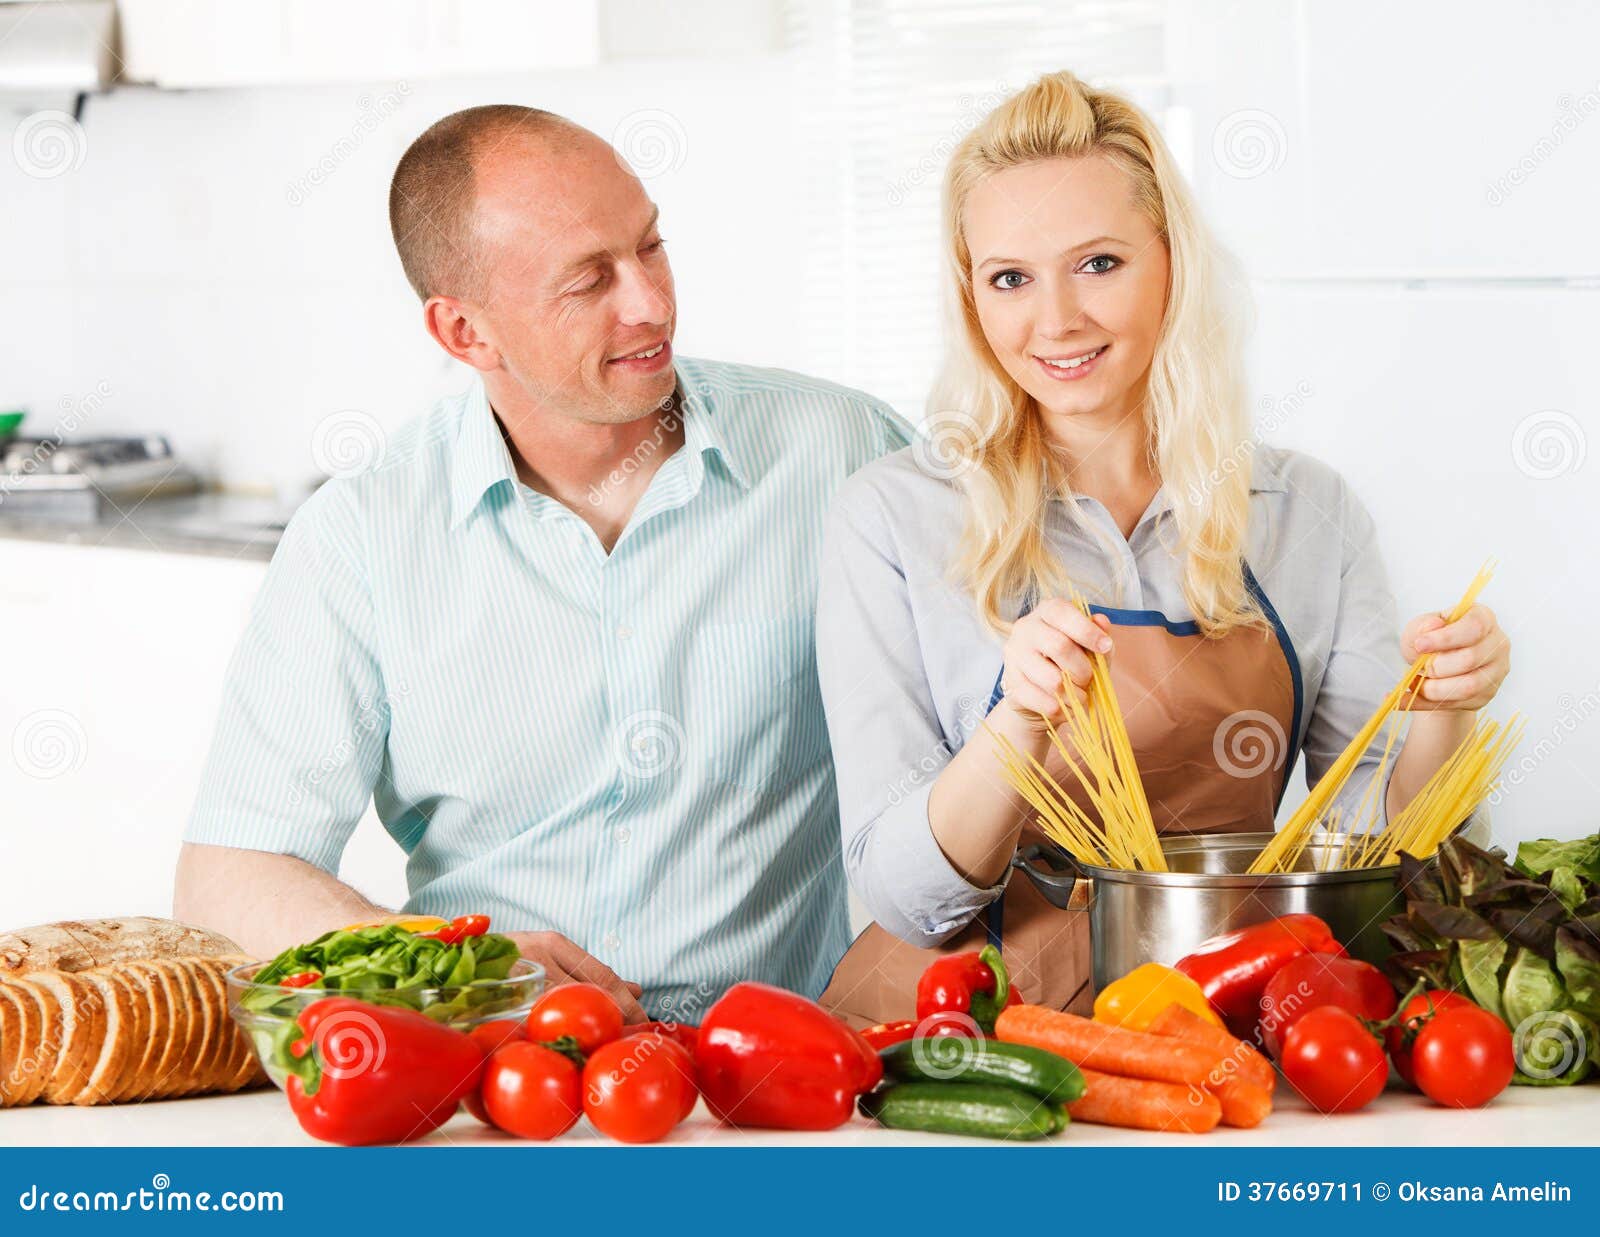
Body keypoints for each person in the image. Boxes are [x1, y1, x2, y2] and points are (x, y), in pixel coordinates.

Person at [175, 105, 910, 1022]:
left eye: (650, 247)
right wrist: (451, 962)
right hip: (492, 1084)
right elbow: (232, 871)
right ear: (464, 333)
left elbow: (979, 778)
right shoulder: (362, 536)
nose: (650, 302)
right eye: (588, 280)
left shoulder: (844, 453)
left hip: (779, 1081)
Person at [815, 72, 1511, 1024]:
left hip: (1229, 1019)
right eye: (1009, 277)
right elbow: (905, 896)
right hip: (977, 1042)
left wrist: (1443, 709)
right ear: (971, 298)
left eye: (1098, 263)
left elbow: (1392, 859)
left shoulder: (1307, 510)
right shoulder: (892, 516)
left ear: (1172, 261)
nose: (1055, 320)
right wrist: (1017, 725)